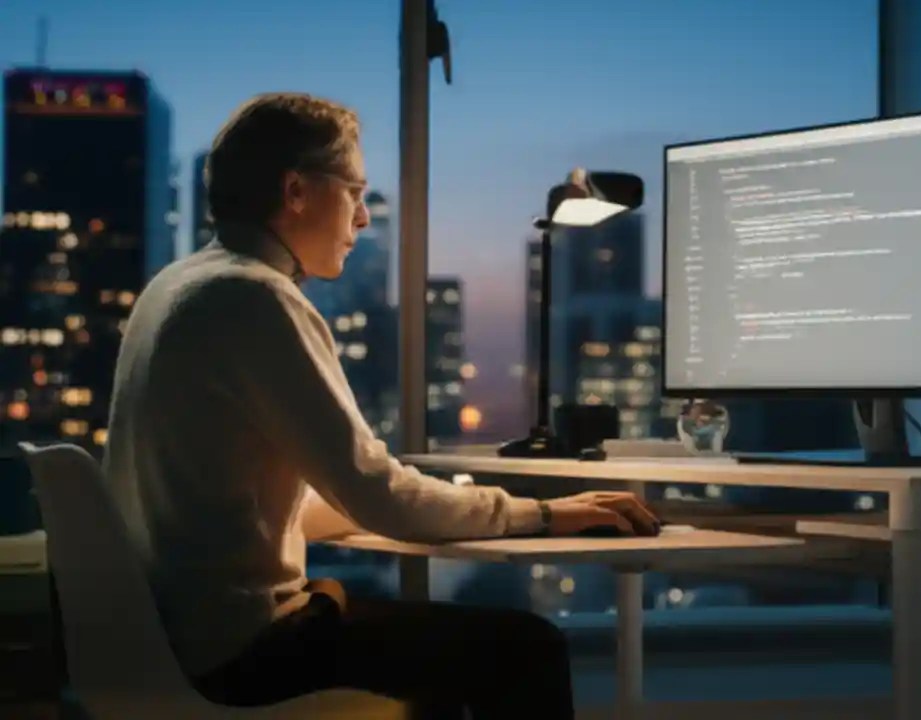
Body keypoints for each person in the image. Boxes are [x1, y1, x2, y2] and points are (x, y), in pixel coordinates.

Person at [103, 92, 660, 720]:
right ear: (296, 191)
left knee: (440, 663)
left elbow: (255, 503)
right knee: (526, 648)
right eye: (355, 192)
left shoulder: (176, 286)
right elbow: (379, 494)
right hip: (240, 651)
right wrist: (542, 513)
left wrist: (416, 503)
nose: (364, 218)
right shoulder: (253, 298)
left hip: (175, 640)